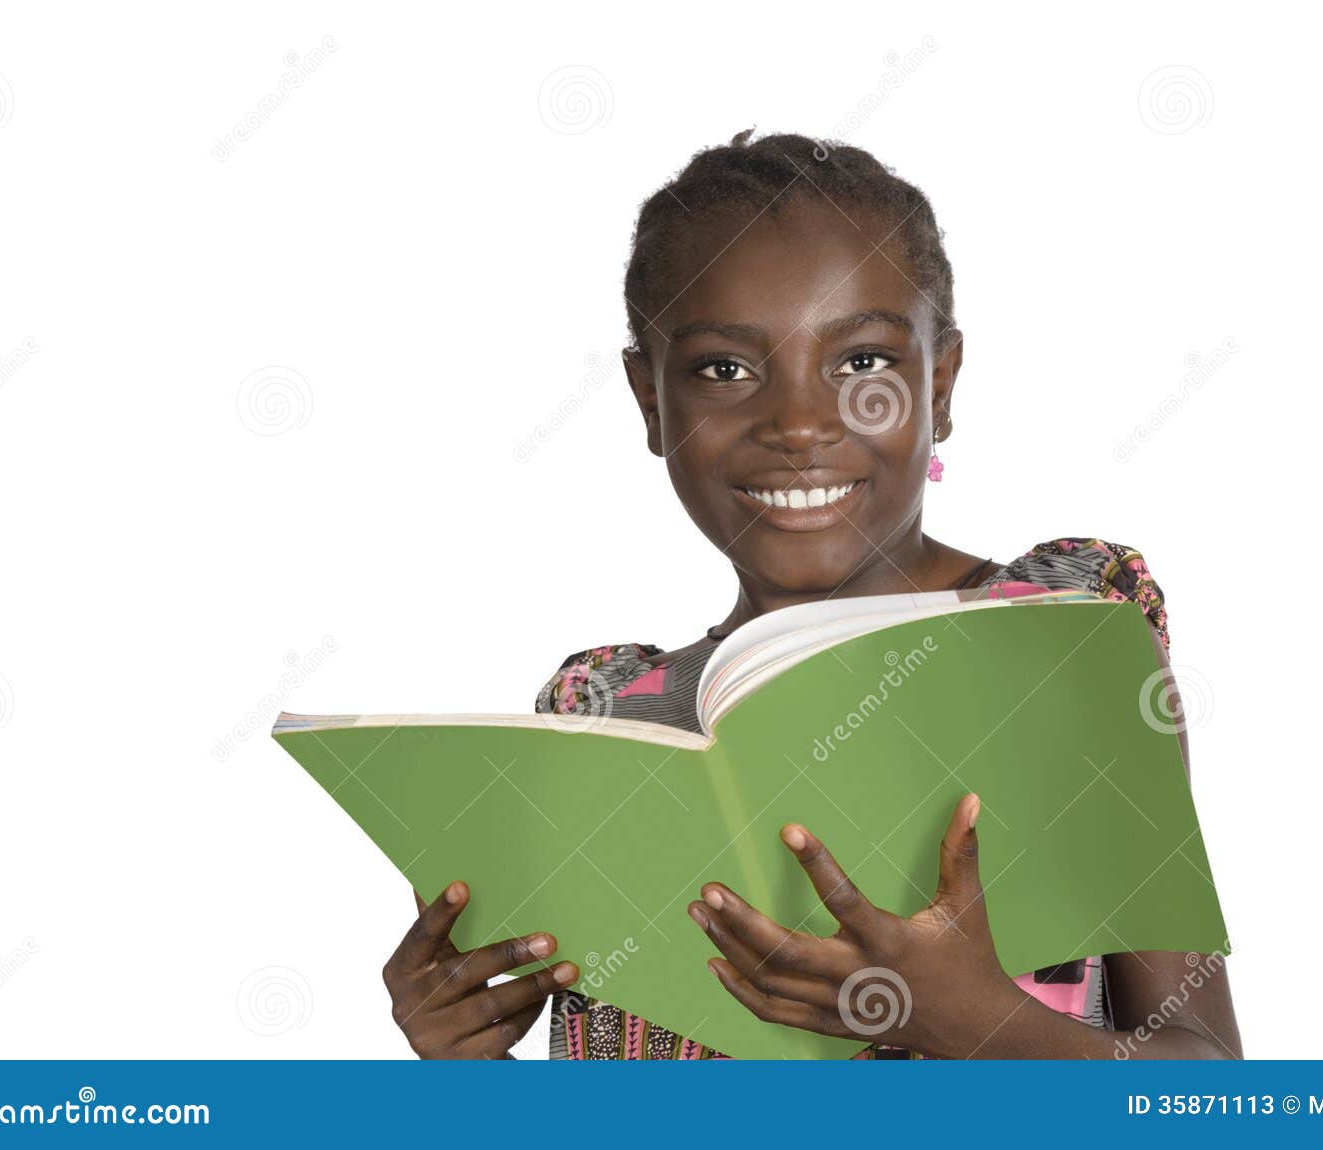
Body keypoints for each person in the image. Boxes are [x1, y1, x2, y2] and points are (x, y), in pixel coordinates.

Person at [381, 130, 1241, 1060]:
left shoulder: (1063, 628)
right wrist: (467, 1063)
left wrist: (968, 1018)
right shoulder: (600, 716)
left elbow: (1207, 1085)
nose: (798, 424)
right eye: (724, 370)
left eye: (863, 362)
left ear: (939, 383)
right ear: (648, 399)